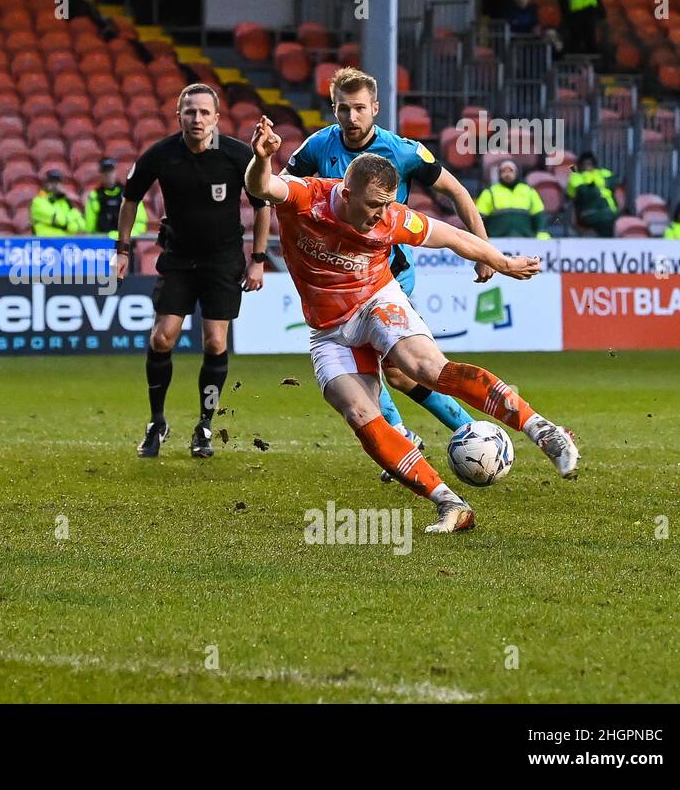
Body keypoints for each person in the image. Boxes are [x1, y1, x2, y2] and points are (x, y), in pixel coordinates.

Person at [248, 127, 580, 533]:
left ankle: (544, 431)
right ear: (347, 194)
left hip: (377, 302)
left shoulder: (391, 217)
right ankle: (450, 504)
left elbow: (454, 237)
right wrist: (262, 157)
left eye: (386, 205)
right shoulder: (307, 196)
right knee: (359, 413)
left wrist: (504, 262)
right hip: (329, 329)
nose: (379, 215)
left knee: (425, 368)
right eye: (372, 205)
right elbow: (261, 186)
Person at [284, 67, 490, 480]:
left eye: (360, 108)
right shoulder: (315, 148)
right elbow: (282, 191)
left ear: (375, 108)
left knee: (385, 365)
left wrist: (482, 250)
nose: (352, 117)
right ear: (334, 108)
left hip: (387, 275)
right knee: (393, 371)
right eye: (344, 108)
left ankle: (430, 434)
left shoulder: (403, 151)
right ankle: (461, 431)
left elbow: (457, 191)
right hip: (339, 278)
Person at [112, 83, 270, 460]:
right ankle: (157, 421)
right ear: (178, 116)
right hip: (179, 259)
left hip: (222, 261)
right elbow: (129, 199)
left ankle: (204, 425)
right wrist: (121, 250)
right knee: (162, 338)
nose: (196, 118)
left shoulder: (237, 154)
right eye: (190, 112)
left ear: (216, 117)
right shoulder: (162, 154)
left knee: (215, 342)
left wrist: (258, 258)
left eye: (203, 112)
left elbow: (263, 205)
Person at [475, 159, 551, 239]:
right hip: (496, 242)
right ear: (499, 174)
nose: (507, 174)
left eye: (511, 171)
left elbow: (539, 216)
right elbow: (479, 218)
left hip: (526, 242)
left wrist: (541, 232)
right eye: (504, 171)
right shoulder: (489, 192)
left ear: (517, 173)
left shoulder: (529, 191)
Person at [86, 157, 147, 238]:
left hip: (126, 243)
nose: (108, 175)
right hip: (102, 244)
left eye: (110, 171)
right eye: (105, 171)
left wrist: (123, 235)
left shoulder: (129, 194)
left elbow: (141, 223)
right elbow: (90, 228)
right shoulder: (94, 196)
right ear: (100, 174)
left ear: (115, 172)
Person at [567, 152, 619, 236]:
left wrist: (602, 183)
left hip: (610, 211)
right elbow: (575, 193)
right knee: (605, 223)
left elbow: (613, 181)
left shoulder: (603, 173)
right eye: (584, 164)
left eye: (590, 163)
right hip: (590, 212)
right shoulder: (577, 177)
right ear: (580, 165)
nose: (587, 166)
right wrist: (592, 187)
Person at [32, 168, 85, 235]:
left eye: (58, 182)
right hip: (46, 244)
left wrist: (67, 201)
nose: (55, 185)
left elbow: (81, 225)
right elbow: (61, 221)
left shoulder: (64, 202)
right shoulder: (38, 202)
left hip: (64, 243)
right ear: (45, 184)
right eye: (51, 181)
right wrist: (71, 220)